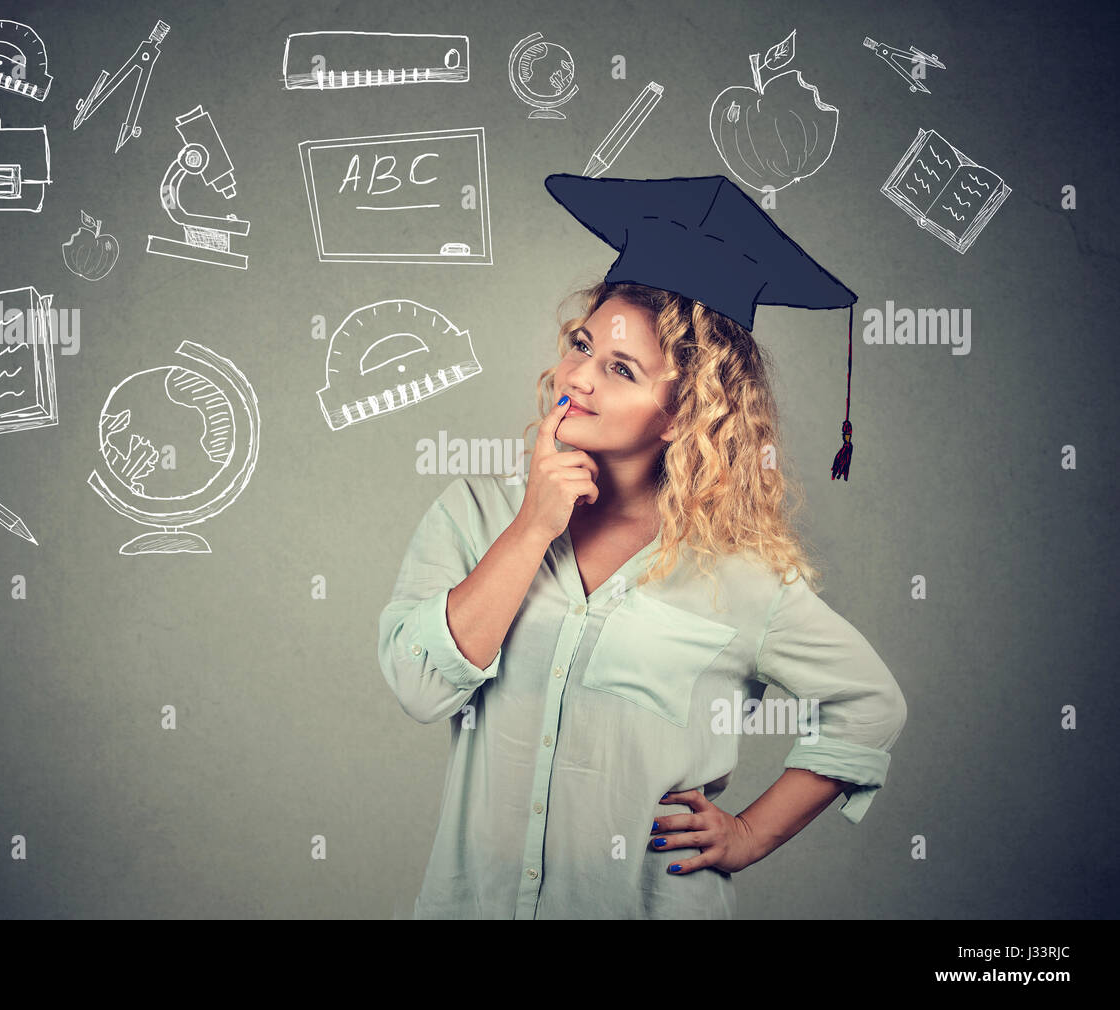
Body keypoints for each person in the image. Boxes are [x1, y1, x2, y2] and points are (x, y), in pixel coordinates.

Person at [377, 175, 907, 919]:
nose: (577, 378)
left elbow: (868, 705)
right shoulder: (474, 513)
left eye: (619, 369)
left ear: (683, 413)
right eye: (582, 346)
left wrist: (750, 832)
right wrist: (533, 527)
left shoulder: (741, 579)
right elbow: (420, 686)